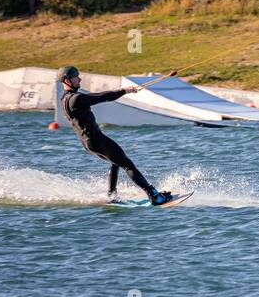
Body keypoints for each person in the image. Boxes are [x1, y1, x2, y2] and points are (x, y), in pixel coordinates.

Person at [57, 65, 176, 204]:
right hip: (96, 139)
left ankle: (111, 194)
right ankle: (154, 195)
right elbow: (102, 97)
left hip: (88, 142)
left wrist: (123, 91)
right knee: (127, 164)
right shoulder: (75, 99)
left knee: (116, 162)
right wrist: (124, 91)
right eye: (76, 77)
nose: (80, 79)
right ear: (66, 80)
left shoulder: (64, 99)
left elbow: (95, 97)